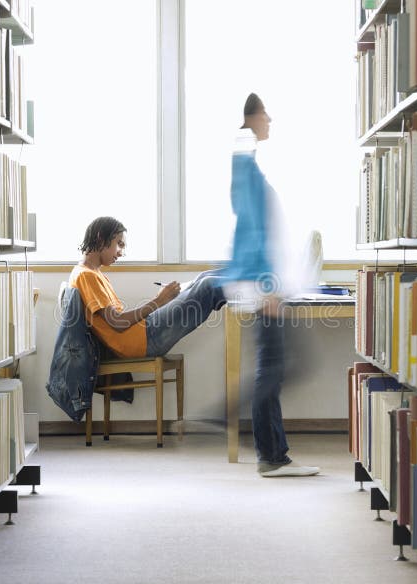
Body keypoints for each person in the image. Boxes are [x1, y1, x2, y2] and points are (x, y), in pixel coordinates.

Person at [223, 93, 319, 478]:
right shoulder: (244, 159)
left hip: (266, 281)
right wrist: (268, 285)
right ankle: (265, 450)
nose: (270, 120)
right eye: (266, 114)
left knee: (277, 367)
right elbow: (253, 228)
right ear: (252, 116)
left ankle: (274, 453)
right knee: (277, 367)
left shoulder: (248, 163)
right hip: (264, 284)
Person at [69, 216, 225, 359]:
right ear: (101, 238)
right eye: (120, 244)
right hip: (144, 339)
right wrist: (159, 301)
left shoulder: (92, 273)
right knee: (208, 285)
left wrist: (161, 300)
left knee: (203, 277)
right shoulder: (86, 275)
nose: (121, 253)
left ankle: (245, 272)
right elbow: (117, 323)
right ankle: (247, 286)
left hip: (144, 330)